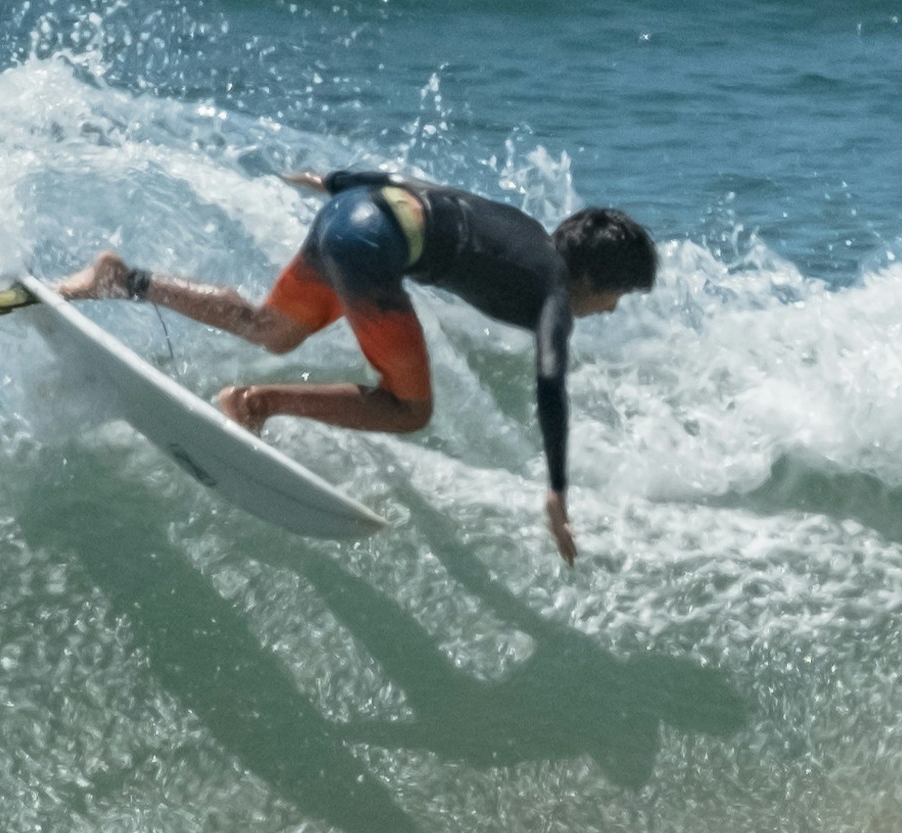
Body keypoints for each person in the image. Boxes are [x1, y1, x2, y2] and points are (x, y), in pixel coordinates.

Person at [60, 172, 658, 563]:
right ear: (591, 277)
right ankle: (254, 403)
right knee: (410, 408)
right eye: (618, 295)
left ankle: (121, 278)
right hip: (372, 246)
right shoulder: (555, 291)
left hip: (351, 214)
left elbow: (429, 189)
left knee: (271, 329)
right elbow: (550, 380)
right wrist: (556, 488)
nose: (610, 310)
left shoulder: (526, 233)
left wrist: (338, 182)